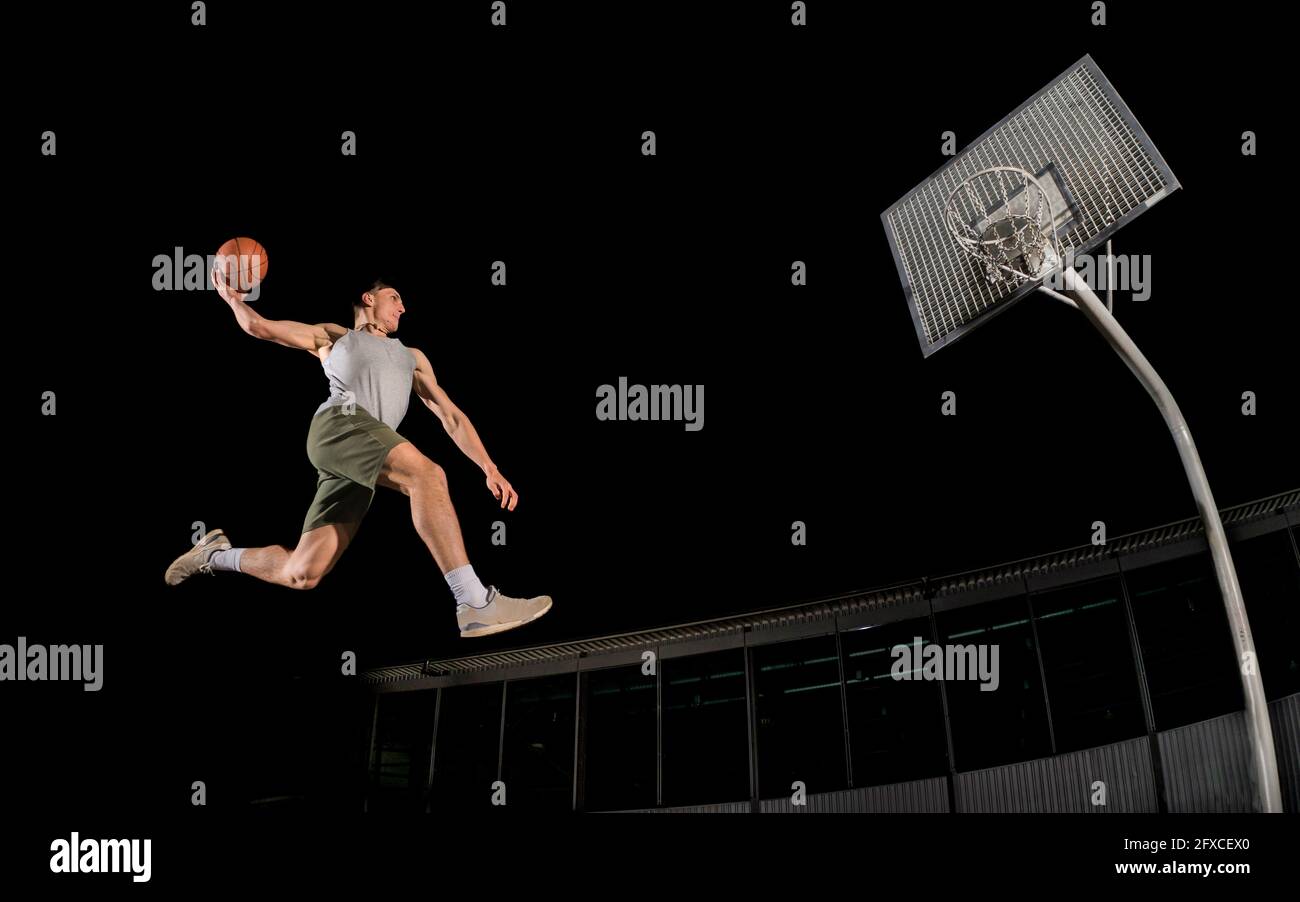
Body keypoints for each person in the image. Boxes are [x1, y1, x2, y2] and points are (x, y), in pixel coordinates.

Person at [163, 268, 552, 639]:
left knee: (304, 572)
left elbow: (451, 416)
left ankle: (215, 555)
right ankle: (473, 600)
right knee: (427, 475)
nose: (403, 307)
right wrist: (233, 299)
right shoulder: (335, 337)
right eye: (395, 298)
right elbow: (259, 327)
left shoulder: (412, 357)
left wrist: (489, 466)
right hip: (340, 426)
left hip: (363, 456)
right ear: (369, 298)